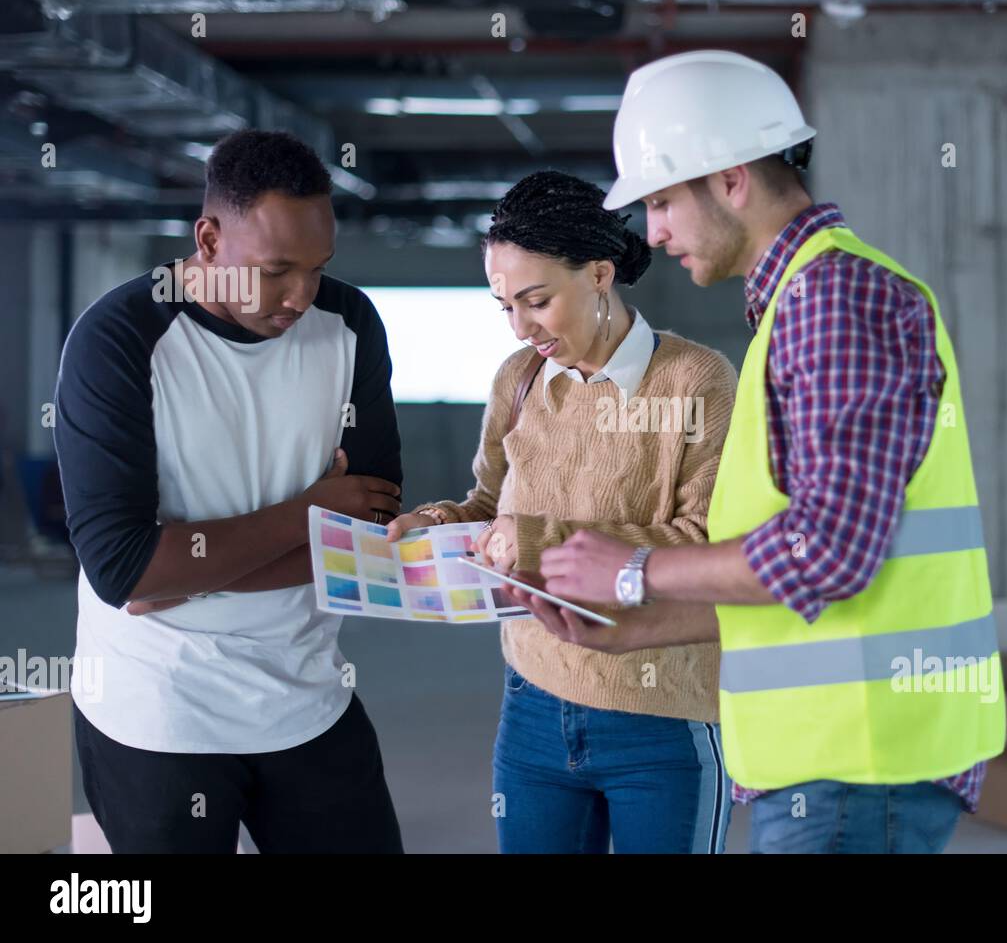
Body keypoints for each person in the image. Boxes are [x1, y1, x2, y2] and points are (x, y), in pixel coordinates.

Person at [507, 51, 1006, 854]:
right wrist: (645, 627)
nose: (655, 231)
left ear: (731, 178)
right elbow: (803, 574)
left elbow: (831, 550)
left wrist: (631, 570)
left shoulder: (834, 299)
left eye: (664, 200)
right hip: (837, 762)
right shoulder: (797, 305)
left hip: (859, 762)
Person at [54, 128, 405, 853]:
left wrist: (184, 568)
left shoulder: (349, 324)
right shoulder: (117, 342)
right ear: (209, 239)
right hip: (158, 709)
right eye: (276, 269)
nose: (300, 295)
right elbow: (125, 572)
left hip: (306, 693)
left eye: (316, 268)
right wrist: (311, 512)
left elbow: (372, 522)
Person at [385, 170, 736, 854]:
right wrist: (434, 521)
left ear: (600, 274)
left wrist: (540, 542)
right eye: (504, 306)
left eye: (537, 300)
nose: (521, 326)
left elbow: (707, 544)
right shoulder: (517, 379)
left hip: (658, 709)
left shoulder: (698, 380)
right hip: (533, 706)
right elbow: (488, 505)